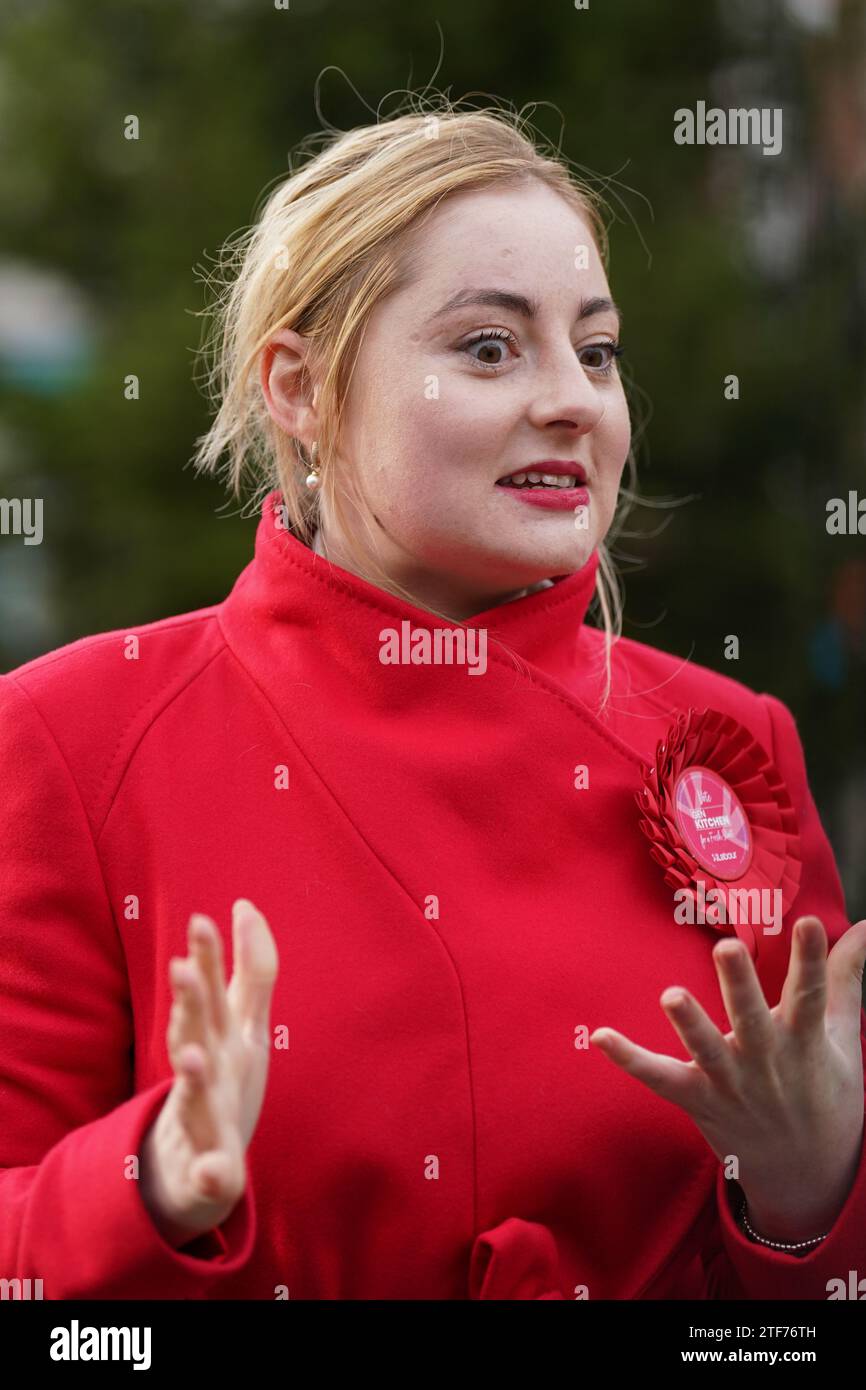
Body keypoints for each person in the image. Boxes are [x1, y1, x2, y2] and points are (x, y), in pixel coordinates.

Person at [1, 102, 864, 1302]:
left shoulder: (725, 744)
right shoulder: (72, 736)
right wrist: (145, 1185)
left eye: (597, 351)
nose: (572, 399)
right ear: (300, 389)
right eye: (489, 348)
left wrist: (808, 1195)